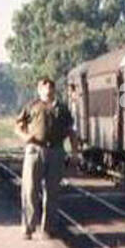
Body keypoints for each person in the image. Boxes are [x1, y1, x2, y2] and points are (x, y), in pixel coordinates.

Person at [14, 77, 79, 239]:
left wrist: (75, 152)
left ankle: (49, 228)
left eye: (51, 86)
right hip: (35, 150)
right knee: (30, 190)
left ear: (54, 89)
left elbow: (71, 131)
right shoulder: (31, 106)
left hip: (56, 150)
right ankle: (28, 227)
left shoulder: (62, 109)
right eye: (45, 86)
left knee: (52, 192)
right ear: (39, 89)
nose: (48, 88)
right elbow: (18, 126)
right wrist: (24, 136)